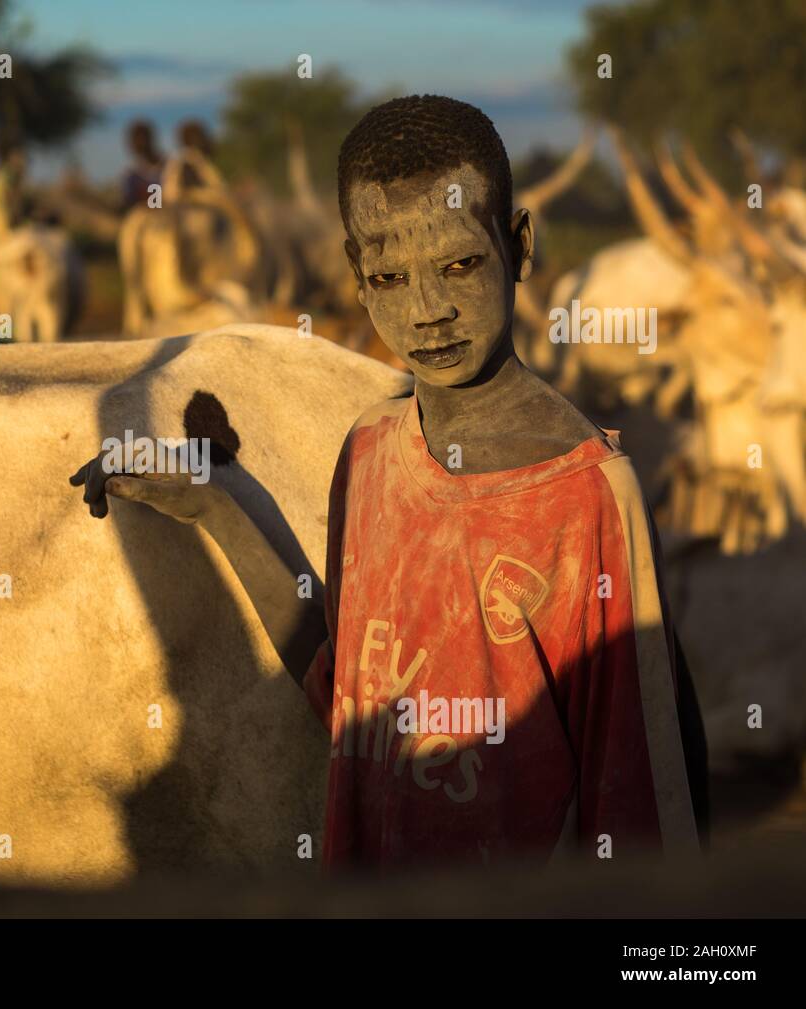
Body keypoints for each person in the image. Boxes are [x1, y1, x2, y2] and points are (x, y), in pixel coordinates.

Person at [71, 95, 705, 872]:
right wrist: (213, 505)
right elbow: (348, 689)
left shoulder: (590, 494)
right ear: (357, 279)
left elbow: (645, 806)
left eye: (460, 264)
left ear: (520, 244)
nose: (427, 310)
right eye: (390, 276)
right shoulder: (370, 451)